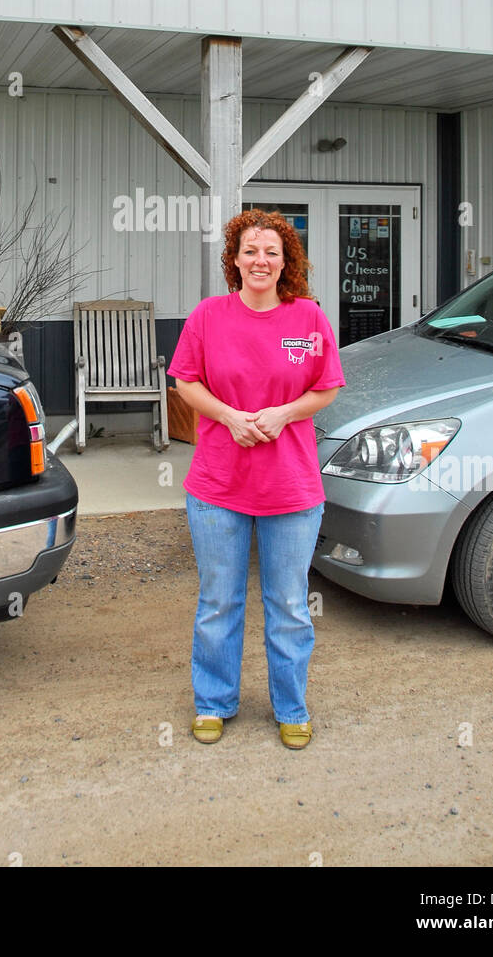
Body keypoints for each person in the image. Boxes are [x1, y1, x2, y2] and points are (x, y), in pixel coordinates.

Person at [168, 209, 345, 749]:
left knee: (289, 604)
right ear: (235, 260)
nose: (260, 260)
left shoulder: (309, 319)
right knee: (219, 600)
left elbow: (327, 387)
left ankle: (291, 706)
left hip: (291, 488)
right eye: (250, 250)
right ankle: (214, 702)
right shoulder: (208, 316)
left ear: (285, 260)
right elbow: (184, 382)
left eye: (272, 251)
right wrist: (227, 416)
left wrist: (284, 413)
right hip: (218, 486)